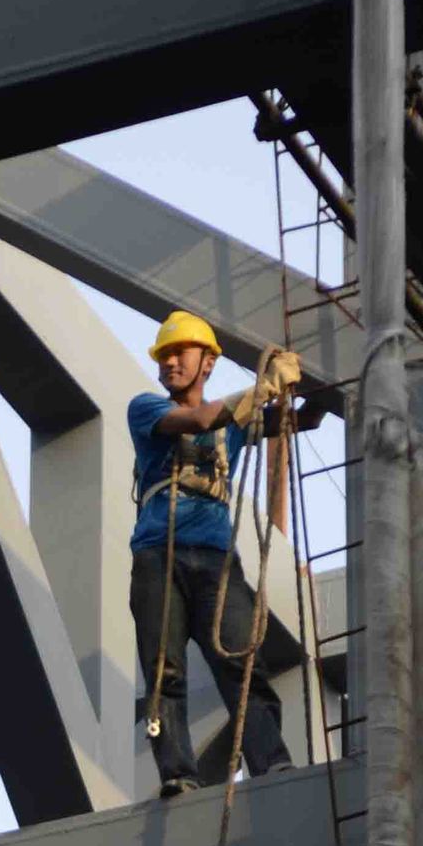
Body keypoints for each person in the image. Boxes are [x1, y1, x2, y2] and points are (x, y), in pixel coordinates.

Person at [128, 311, 301, 800]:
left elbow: (295, 421)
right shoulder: (144, 409)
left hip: (216, 558)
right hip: (159, 555)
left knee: (242, 663)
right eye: (164, 356)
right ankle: (178, 773)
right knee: (165, 670)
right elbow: (203, 418)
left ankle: (271, 762)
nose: (170, 364)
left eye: (180, 353)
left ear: (207, 364)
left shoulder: (238, 422)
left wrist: (301, 384)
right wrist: (263, 390)